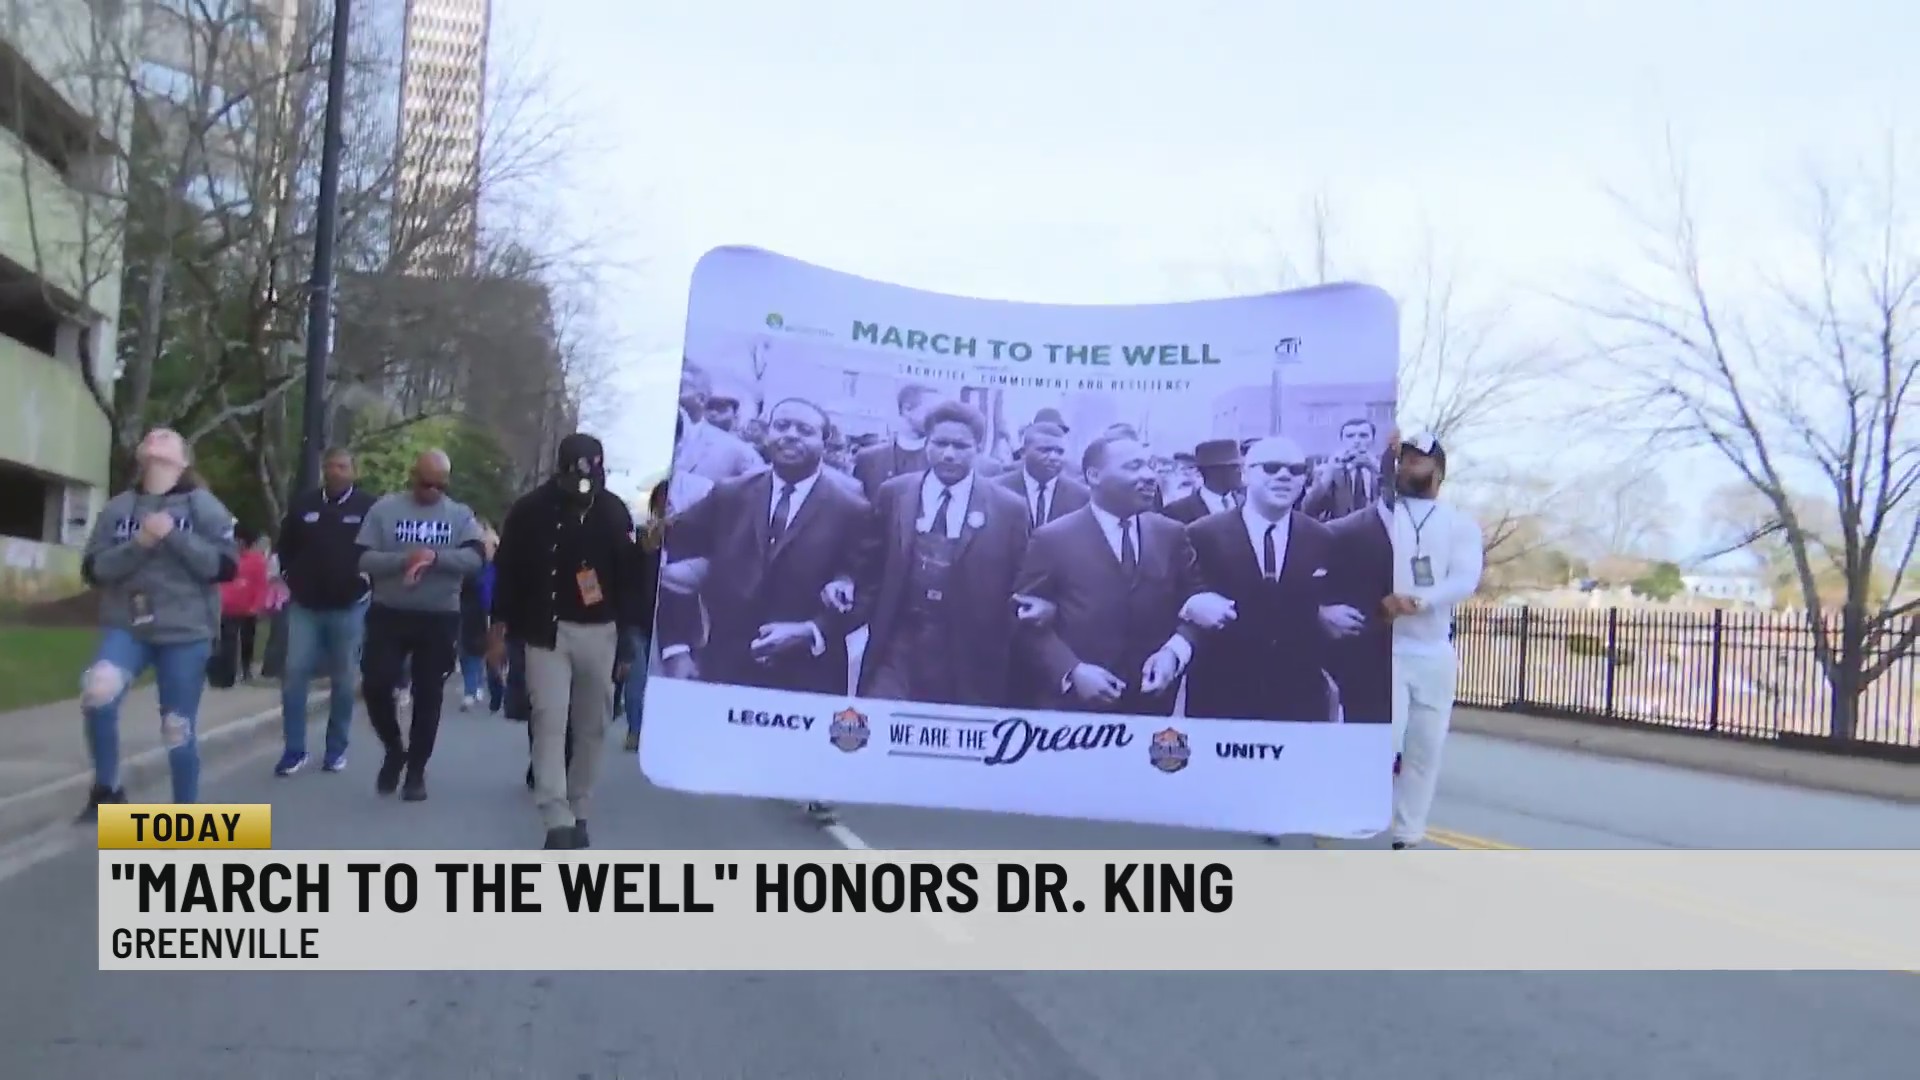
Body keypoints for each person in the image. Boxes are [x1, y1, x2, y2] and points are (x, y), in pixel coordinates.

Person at [656, 398, 873, 695]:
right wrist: (676, 649)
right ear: (767, 434)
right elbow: (670, 562)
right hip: (724, 671)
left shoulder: (853, 509)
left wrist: (811, 632)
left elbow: (867, 589)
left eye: (804, 429)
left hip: (808, 678)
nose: (791, 435)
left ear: (825, 442)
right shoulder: (728, 495)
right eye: (782, 426)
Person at [74, 428, 239, 819]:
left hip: (185, 631)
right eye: (152, 437)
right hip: (128, 624)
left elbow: (224, 566)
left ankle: (185, 815)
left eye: (169, 439)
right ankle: (108, 789)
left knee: (177, 726)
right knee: (98, 692)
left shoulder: (204, 506)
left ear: (184, 460)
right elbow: (94, 569)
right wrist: (140, 545)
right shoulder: (118, 508)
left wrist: (173, 538)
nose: (158, 438)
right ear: (140, 455)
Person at [489, 433, 639, 850]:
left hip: (601, 631)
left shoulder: (613, 512)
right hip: (545, 631)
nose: (584, 490)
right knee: (549, 720)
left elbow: (629, 581)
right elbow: (507, 574)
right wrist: (498, 631)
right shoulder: (530, 511)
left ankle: (580, 807)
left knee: (592, 725)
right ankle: (556, 816)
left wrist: (626, 640)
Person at [841, 399, 1031, 707]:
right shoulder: (895, 493)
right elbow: (870, 564)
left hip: (968, 651)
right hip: (899, 642)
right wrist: (846, 587)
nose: (949, 454)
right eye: (940, 443)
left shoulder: (1008, 508)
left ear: (978, 448)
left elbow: (1019, 579)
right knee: (883, 723)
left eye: (961, 445)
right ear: (926, 443)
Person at [1012, 433, 1209, 716]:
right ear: (1094, 475)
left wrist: (1173, 654)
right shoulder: (1052, 539)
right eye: (1133, 467)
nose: (1148, 476)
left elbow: (1195, 607)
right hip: (1077, 712)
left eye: (1149, 466)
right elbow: (1026, 623)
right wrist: (1072, 670)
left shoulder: (1171, 534)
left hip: (1152, 707)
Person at [355, 449, 486, 800]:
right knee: (376, 684)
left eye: (440, 486)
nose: (432, 491)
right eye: (426, 484)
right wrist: (404, 560)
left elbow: (476, 557)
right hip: (390, 611)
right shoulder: (385, 509)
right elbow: (363, 557)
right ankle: (394, 749)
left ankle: (416, 770)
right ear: (413, 476)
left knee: (429, 693)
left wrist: (435, 557)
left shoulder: (459, 515)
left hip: (439, 615)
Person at [1184, 436, 1340, 722]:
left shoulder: (1322, 538)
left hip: (1299, 702)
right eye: (1270, 467)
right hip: (1221, 698)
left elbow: (1329, 605)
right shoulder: (1201, 534)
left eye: (1295, 470)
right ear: (1244, 474)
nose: (1284, 476)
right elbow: (1182, 598)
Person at [1381, 431, 1484, 849]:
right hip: (1387, 650)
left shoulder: (1459, 522)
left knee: (1424, 750)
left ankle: (1408, 833)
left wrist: (1421, 601)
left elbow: (1464, 579)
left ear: (1437, 470)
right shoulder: (1385, 513)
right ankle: (1346, 813)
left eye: (1416, 460)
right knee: (1385, 743)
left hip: (1433, 652)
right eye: (1403, 459)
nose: (1407, 466)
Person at [275, 447, 377, 775]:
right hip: (305, 605)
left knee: (344, 679)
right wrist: (291, 576)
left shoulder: (368, 507)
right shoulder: (304, 503)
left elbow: (381, 549)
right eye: (331, 466)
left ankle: (336, 749)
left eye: (343, 466)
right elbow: (285, 546)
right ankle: (294, 750)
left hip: (349, 606)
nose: (336, 472)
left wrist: (367, 580)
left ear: (353, 470)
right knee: (294, 674)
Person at [1320, 445, 1398, 727]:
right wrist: (1321, 611)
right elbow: (1300, 586)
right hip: (1363, 672)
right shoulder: (1342, 533)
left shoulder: (1439, 534)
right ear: (1382, 483)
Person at [622, 481, 668, 752]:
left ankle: (660, 731)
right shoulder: (641, 536)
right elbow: (629, 577)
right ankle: (635, 729)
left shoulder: (690, 538)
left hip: (670, 622)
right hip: (639, 618)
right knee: (636, 678)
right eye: (662, 500)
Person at [995, 416, 1089, 528]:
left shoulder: (1081, 496)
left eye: (1059, 452)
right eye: (1045, 450)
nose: (1054, 457)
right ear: (1023, 453)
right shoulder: (998, 489)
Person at [851, 383, 939, 502]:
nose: (937, 419)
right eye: (931, 412)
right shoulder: (868, 459)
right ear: (907, 409)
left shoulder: (937, 461)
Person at [215, 525, 269, 685]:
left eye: (238, 540)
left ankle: (246, 669)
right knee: (228, 640)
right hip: (227, 607)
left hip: (247, 608)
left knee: (247, 640)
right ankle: (228, 672)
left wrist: (257, 605)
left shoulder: (256, 560)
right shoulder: (226, 557)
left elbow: (261, 585)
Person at [1302, 418, 1383, 522]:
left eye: (1363, 436)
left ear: (1373, 440)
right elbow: (1308, 509)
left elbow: (1398, 504)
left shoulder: (1383, 468)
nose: (1357, 441)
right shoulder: (1328, 471)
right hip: (1340, 533)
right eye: (1350, 436)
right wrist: (1329, 474)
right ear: (1342, 440)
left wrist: (1377, 468)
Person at [458, 523, 501, 712]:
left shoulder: (498, 567)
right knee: (468, 650)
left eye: (491, 545)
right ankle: (471, 689)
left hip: (494, 612)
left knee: (488, 652)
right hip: (469, 609)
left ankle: (486, 687)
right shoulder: (471, 565)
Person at [1160, 439, 1244, 523]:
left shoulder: (1244, 503)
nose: (1241, 472)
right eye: (1236, 467)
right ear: (1214, 472)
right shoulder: (1177, 511)